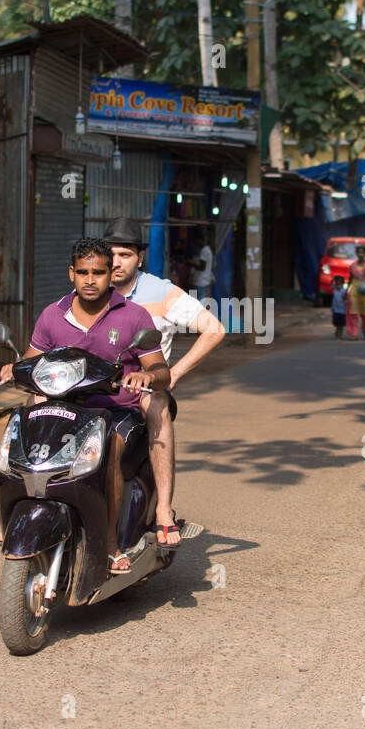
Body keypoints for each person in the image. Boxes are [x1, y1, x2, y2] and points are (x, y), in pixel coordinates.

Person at [0, 238, 170, 575]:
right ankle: (18, 518)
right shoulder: (53, 315)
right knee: (20, 440)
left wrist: (147, 376)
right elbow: (32, 361)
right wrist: (13, 368)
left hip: (116, 410)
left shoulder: (134, 316)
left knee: (109, 453)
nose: (90, 280)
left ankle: (110, 544)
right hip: (65, 409)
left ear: (110, 275)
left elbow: (162, 371)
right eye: (83, 273)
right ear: (71, 274)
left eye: (98, 273)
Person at [103, 217, 225, 547]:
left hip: (145, 389)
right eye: (111, 254)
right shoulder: (92, 288)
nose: (116, 262)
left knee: (158, 405)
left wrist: (174, 375)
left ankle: (163, 510)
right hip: (97, 389)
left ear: (140, 257)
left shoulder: (161, 291)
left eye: (125, 254)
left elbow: (214, 329)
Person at [190, 235, 214, 300]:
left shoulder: (204, 251)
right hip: (202, 282)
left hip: (200, 282)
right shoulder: (208, 250)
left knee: (198, 303)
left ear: (200, 240)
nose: (195, 243)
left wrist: (191, 264)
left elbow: (202, 267)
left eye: (196, 241)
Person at [330, 275, 348, 339]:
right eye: (336, 284)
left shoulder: (344, 291)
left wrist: (345, 296)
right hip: (335, 309)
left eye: (339, 284)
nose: (337, 286)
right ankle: (337, 331)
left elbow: (345, 299)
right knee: (336, 323)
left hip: (342, 310)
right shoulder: (335, 289)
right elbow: (331, 283)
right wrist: (333, 279)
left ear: (342, 284)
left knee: (341, 324)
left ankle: (340, 334)